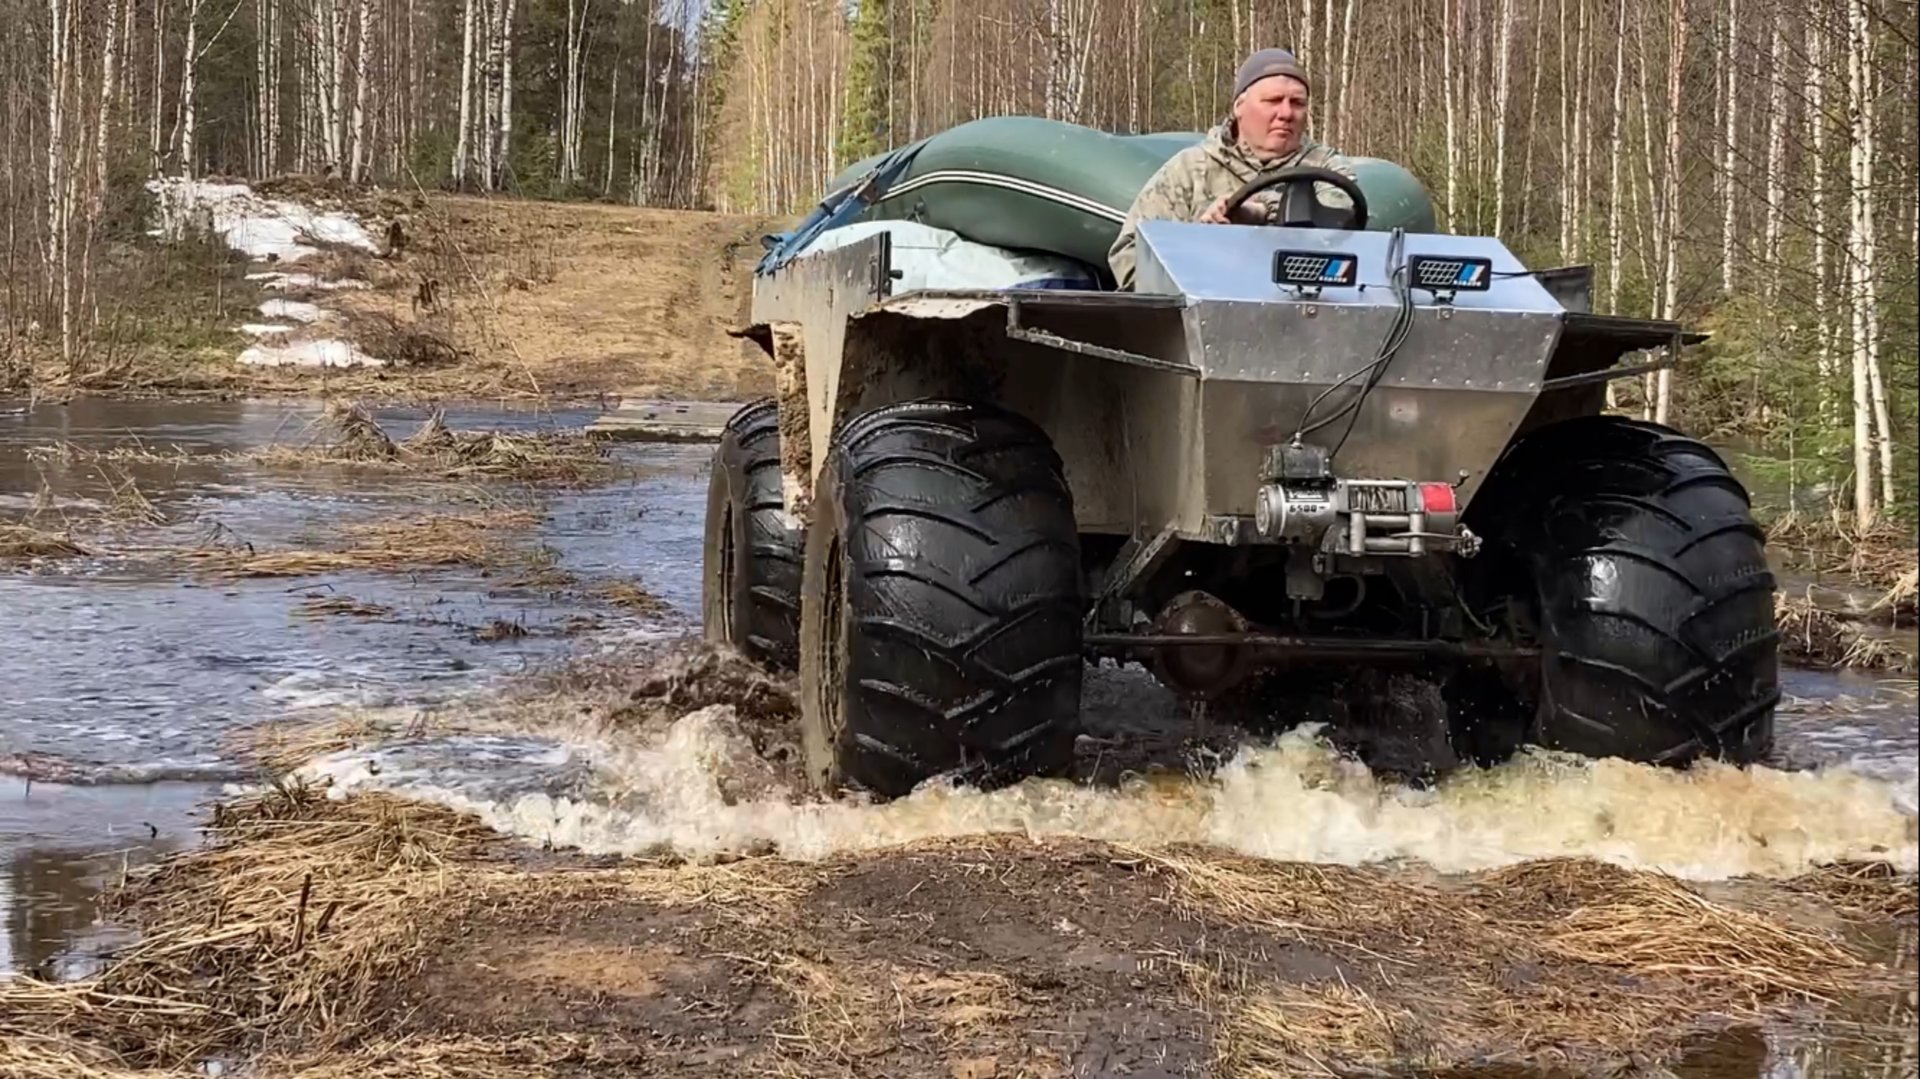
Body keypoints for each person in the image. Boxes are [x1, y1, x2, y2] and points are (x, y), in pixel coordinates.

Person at [1107, 48, 1359, 290]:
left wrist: (1262, 212)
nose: (1286, 113)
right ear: (1239, 106)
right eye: (1273, 101)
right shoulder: (1190, 170)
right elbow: (1129, 257)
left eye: (1297, 103)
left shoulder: (1326, 168)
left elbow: (1345, 223)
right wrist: (1198, 245)